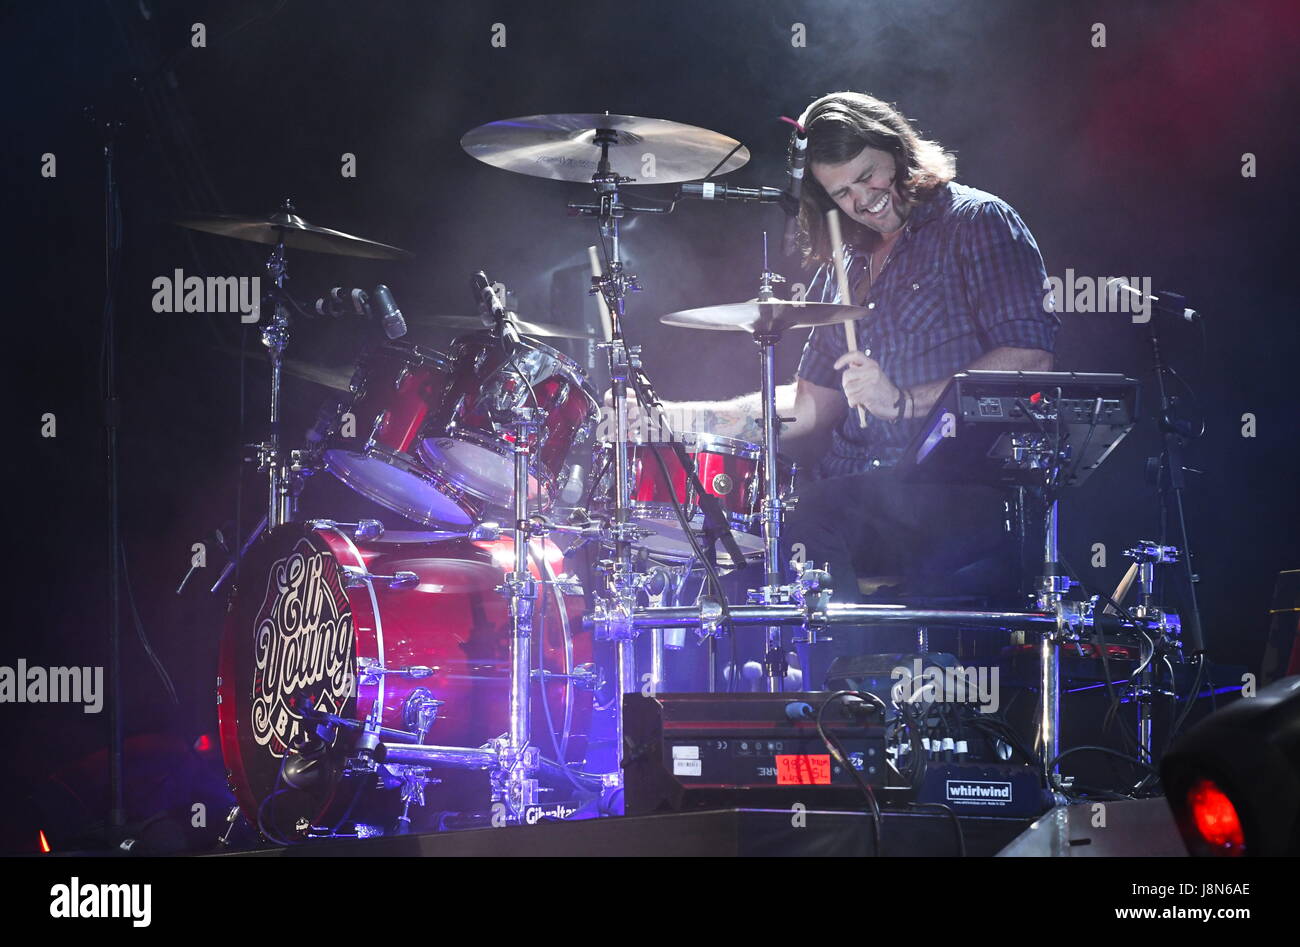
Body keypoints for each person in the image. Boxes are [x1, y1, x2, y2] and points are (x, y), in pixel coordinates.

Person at [625, 91, 1059, 678]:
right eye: (843, 194)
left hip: (961, 484)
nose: (863, 201)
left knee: (812, 514)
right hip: (866, 496)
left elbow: (1030, 359)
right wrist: (675, 418)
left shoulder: (975, 222)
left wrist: (903, 401)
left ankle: (854, 694)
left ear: (897, 150)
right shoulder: (844, 270)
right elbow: (804, 408)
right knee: (742, 549)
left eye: (869, 176)